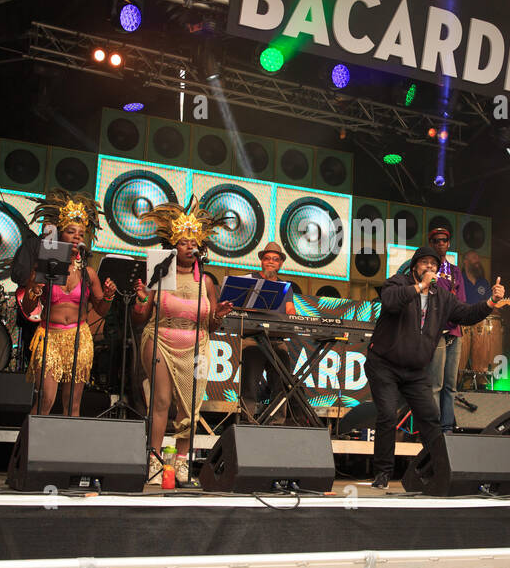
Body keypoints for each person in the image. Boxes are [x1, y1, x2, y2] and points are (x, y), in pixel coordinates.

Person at [366, 245, 505, 489]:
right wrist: (419, 287)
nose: (430, 267)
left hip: (415, 370)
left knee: (431, 419)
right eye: (425, 264)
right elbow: (389, 302)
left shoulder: (442, 296)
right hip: (384, 364)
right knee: (387, 415)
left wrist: (491, 301)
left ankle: (441, 471)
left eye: (434, 265)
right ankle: (383, 474)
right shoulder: (397, 283)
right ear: (415, 267)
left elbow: (467, 313)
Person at [133, 201, 234, 487]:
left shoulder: (207, 281)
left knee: (190, 407)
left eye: (194, 242)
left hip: (196, 343)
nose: (189, 246)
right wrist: (142, 298)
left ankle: (180, 462)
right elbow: (140, 316)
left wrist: (219, 315)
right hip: (161, 338)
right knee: (162, 399)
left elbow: (211, 324)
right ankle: (153, 458)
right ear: (173, 244)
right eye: (183, 242)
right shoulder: (160, 270)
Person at [19, 190, 117, 416]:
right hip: (49, 336)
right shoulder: (42, 267)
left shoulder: (88, 273)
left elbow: (101, 309)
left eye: (81, 234)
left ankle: (66, 448)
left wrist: (110, 295)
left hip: (78, 338)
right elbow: (27, 309)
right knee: (46, 399)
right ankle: (30, 446)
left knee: (72, 405)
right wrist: (33, 291)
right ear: (59, 235)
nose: (76, 237)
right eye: (71, 232)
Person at [239, 241, 301, 411]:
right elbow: (239, 304)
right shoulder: (250, 280)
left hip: (276, 339)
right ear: (262, 261)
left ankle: (277, 422)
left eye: (275, 259)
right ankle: (248, 420)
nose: (271, 262)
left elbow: (290, 310)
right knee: (249, 384)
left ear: (280, 263)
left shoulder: (285, 287)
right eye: (267, 258)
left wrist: (294, 317)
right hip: (253, 338)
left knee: (281, 384)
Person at [425, 227, 465, 432]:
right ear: (431, 244)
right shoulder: (427, 270)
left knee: (451, 384)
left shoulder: (455, 271)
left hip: (454, 332)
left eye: (444, 240)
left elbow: (462, 302)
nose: (440, 243)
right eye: (436, 240)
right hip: (436, 332)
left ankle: (447, 428)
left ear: (449, 244)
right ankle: (432, 428)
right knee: (436, 384)